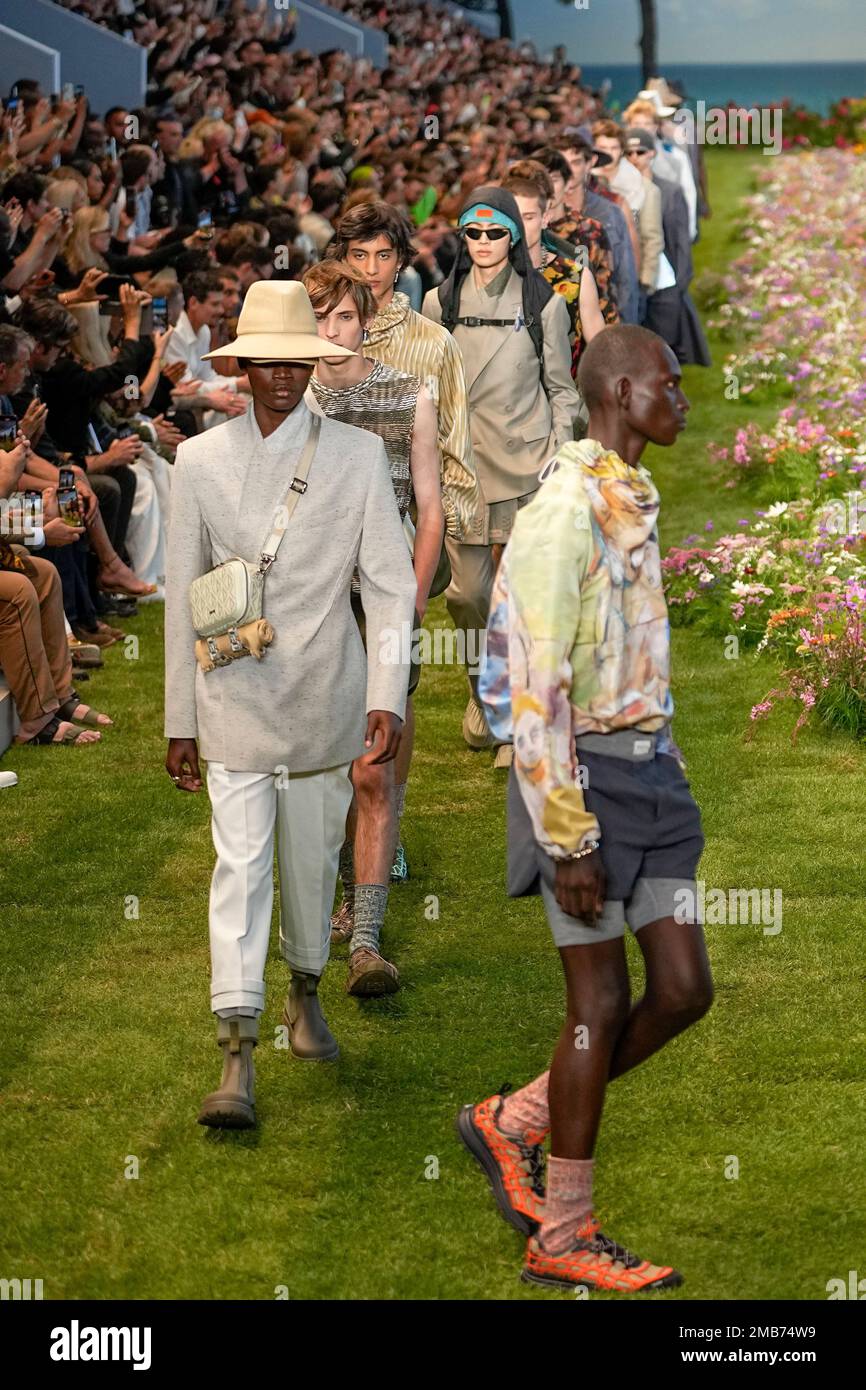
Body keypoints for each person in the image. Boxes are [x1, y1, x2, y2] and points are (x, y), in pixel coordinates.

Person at [460, 324, 713, 1292]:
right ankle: (562, 1232)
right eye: (668, 384)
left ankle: (511, 1118)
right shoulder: (562, 511)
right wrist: (565, 832)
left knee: (684, 990)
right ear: (615, 390)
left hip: (652, 773)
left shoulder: (627, 496)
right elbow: (530, 687)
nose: (681, 400)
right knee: (596, 1006)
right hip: (584, 783)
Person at [163, 280, 416, 1129]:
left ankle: (306, 993)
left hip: (326, 698)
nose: (280, 377)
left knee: (311, 866)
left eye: (295, 362)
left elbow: (387, 587)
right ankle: (236, 1050)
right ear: (241, 368)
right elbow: (179, 597)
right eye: (265, 362)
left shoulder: (353, 456)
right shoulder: (197, 463)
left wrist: (387, 692)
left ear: (315, 366)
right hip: (231, 695)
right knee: (239, 870)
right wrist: (178, 719)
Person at [302, 260, 443, 993]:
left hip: (382, 598)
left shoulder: (408, 393)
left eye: (345, 318)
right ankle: (335, 893)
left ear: (365, 320)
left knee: (373, 763)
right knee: (325, 763)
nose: (333, 333)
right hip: (310, 603)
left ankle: (364, 934)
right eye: (320, 319)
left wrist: (411, 600)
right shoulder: (287, 398)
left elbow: (429, 503)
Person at [422, 185, 581, 761]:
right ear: (461, 238)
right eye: (474, 233)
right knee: (467, 598)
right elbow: (428, 388)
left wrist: (562, 457)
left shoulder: (544, 304)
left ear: (513, 236)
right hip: (463, 466)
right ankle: (482, 692)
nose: (485, 242)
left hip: (528, 464)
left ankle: (516, 714)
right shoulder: (440, 304)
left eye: (495, 233)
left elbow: (562, 391)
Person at [329, 200, 482, 558]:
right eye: (359, 255)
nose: (371, 268)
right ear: (343, 259)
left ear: (400, 260)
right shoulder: (321, 337)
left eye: (383, 256)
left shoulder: (434, 342)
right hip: (330, 511)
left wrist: (449, 518)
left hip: (409, 516)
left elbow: (455, 434)